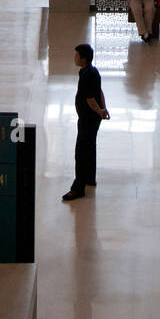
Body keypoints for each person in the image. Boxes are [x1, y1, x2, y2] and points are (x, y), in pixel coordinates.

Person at [62, 43, 109, 201]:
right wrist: (103, 109)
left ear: (83, 59)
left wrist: (100, 110)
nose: (74, 58)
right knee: (89, 147)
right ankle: (90, 178)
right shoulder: (91, 71)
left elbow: (90, 100)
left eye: (76, 55)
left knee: (81, 152)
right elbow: (99, 92)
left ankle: (78, 187)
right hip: (91, 117)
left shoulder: (88, 75)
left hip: (88, 119)